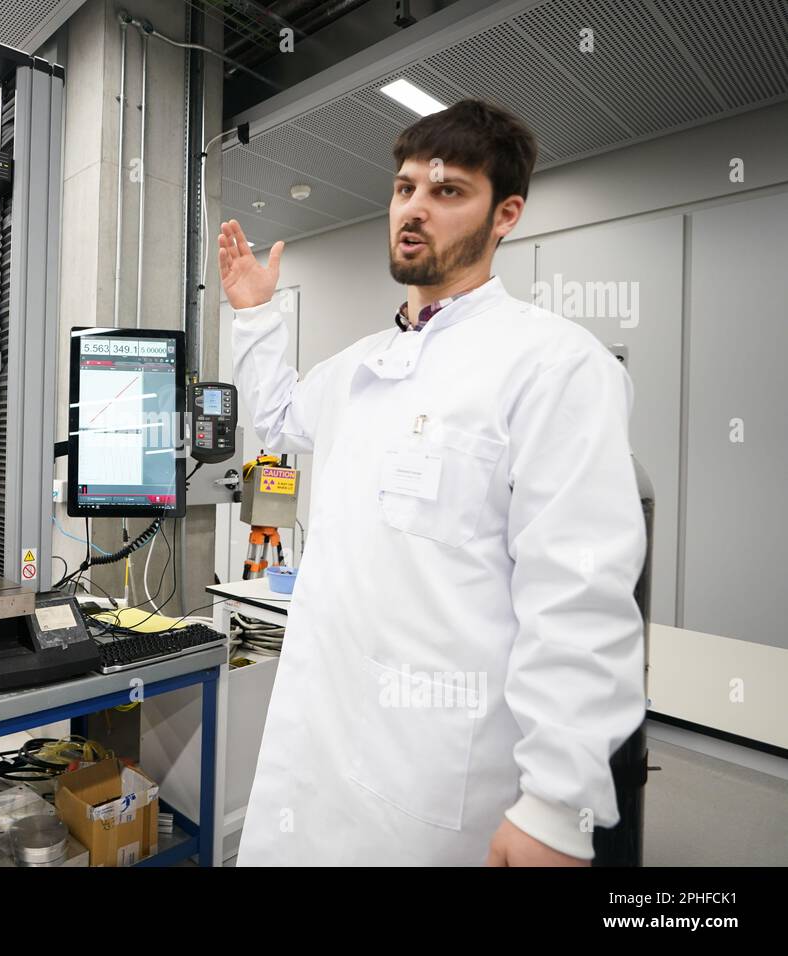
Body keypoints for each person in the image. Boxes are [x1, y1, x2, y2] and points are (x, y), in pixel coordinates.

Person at [223, 99, 645, 866]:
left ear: (505, 214)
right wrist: (254, 316)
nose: (414, 209)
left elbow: (579, 598)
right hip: (315, 755)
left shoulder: (555, 367)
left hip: (435, 787)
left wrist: (556, 804)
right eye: (405, 187)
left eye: (447, 192)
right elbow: (280, 420)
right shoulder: (358, 367)